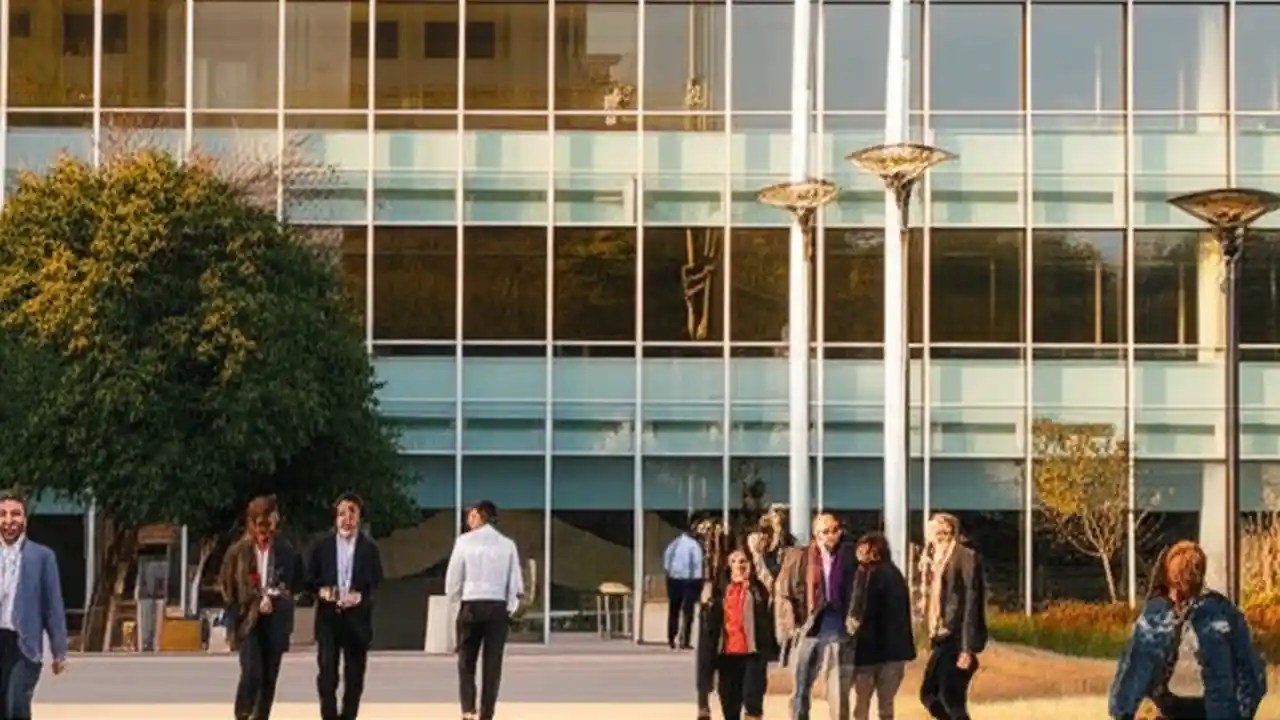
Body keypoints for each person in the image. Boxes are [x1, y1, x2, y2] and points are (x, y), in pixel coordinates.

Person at [1108, 540, 1267, 720]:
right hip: (1186, 708)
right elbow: (1251, 672)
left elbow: (1134, 667)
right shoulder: (1220, 611)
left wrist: (1122, 710)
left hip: (1206, 709)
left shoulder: (1218, 612)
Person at [219, 495, 304, 720]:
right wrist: (231, 624)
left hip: (276, 620)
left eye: (270, 521)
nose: (265, 528)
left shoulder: (286, 551)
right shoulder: (237, 553)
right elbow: (228, 588)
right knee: (252, 671)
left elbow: (296, 583)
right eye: (260, 522)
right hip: (248, 620)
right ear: (252, 523)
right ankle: (243, 711)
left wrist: (279, 596)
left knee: (269, 677)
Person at [445, 500, 524, 720]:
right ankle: (487, 713)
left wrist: (454, 606)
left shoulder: (463, 542)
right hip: (497, 607)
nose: (468, 519)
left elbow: (453, 579)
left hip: (471, 605)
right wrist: (509, 608)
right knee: (492, 664)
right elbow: (515, 583)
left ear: (480, 515)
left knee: (466, 661)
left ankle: (468, 709)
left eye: (471, 515)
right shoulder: (507, 544)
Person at [308, 492, 384, 720]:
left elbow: (376, 580)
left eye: (352, 513)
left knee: (354, 675)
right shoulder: (322, 545)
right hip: (329, 617)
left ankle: (349, 716)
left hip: (357, 619)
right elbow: (309, 578)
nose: (347, 518)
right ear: (335, 517)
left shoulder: (369, 547)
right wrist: (320, 591)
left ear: (359, 517)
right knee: (328, 673)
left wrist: (360, 596)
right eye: (342, 513)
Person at [782, 512, 858, 720]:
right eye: (826, 531)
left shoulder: (849, 557)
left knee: (837, 688)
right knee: (801, 684)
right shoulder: (801, 557)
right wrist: (792, 623)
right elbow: (786, 591)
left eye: (835, 530)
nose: (831, 535)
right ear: (816, 534)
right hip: (809, 626)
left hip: (838, 627)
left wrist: (854, 618)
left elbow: (857, 590)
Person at [0, 489, 67, 720]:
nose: (9, 520)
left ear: (25, 520)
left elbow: (52, 605)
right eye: (3, 514)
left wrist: (59, 650)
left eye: (15, 514)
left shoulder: (42, 557)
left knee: (17, 704)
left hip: (24, 644)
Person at [918, 513, 987, 720]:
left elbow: (971, 603)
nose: (939, 536)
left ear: (953, 532)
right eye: (934, 532)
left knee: (950, 697)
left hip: (956, 635)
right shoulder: (932, 561)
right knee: (929, 694)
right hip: (940, 634)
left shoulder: (965, 556)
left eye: (944, 531)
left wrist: (966, 648)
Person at [698, 548, 780, 720]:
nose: (738, 566)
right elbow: (708, 632)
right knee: (730, 706)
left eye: (743, 561)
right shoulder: (719, 592)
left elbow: (772, 587)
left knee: (752, 702)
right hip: (727, 656)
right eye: (734, 561)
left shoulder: (757, 589)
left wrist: (757, 558)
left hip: (752, 655)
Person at [845, 533, 916, 720]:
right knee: (886, 705)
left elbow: (860, 610)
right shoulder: (896, 575)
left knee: (862, 704)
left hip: (867, 651)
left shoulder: (866, 574)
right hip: (894, 651)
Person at [663, 521, 703, 650]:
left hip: (673, 579)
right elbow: (698, 566)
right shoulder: (695, 546)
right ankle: (684, 640)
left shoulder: (673, 544)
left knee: (673, 609)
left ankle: (671, 638)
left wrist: (670, 574)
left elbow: (666, 562)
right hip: (690, 581)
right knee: (687, 611)